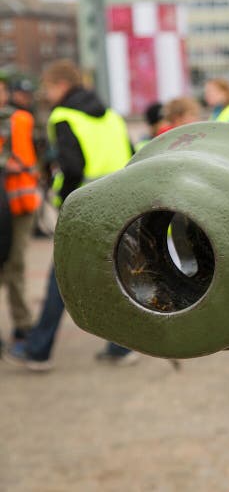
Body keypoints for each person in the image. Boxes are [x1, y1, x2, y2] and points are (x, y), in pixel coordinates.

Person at [5, 60, 137, 371]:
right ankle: (122, 346)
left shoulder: (63, 116)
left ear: (62, 85)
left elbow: (73, 167)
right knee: (114, 273)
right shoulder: (112, 116)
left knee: (62, 277)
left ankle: (39, 350)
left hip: (86, 207)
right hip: (120, 201)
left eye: (48, 89)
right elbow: (132, 154)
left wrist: (63, 195)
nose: (46, 95)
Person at [0, 79, 41, 348]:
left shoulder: (21, 119)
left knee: (15, 266)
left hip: (21, 205)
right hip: (7, 204)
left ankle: (22, 325)